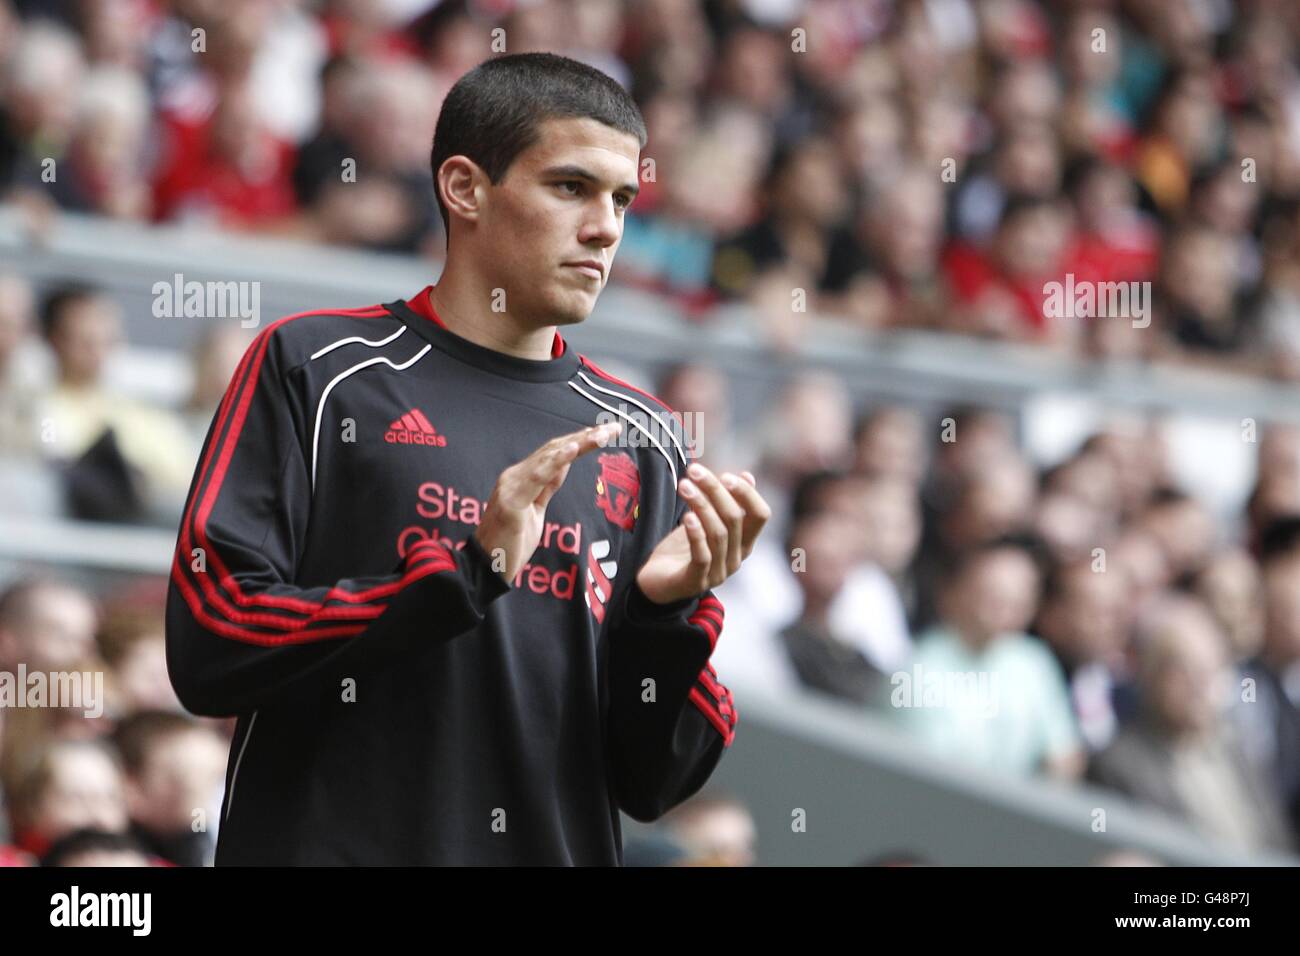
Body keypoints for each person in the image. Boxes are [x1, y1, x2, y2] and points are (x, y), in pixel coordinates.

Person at [165, 52, 770, 865]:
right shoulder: (317, 367)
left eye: (622, 199)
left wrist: (662, 622)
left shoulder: (647, 437)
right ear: (464, 188)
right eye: (570, 187)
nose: (606, 227)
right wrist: (465, 574)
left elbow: (655, 783)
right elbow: (214, 637)